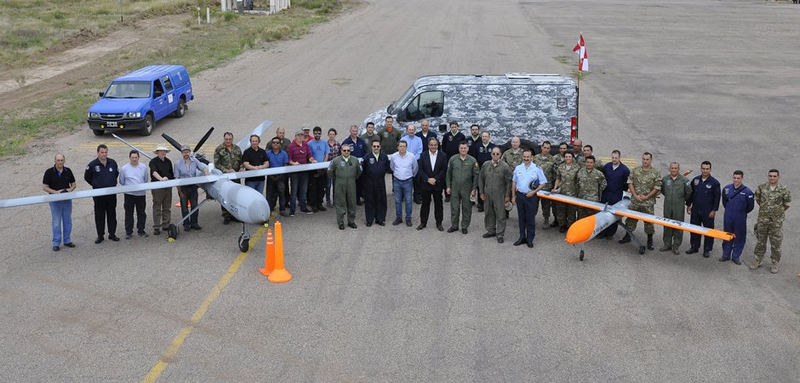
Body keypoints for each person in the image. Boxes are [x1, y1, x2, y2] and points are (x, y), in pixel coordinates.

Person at [750, 169, 791, 274]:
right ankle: (758, 260)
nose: (772, 178)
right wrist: (766, 210)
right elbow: (758, 200)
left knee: (776, 242)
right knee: (760, 241)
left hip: (776, 222)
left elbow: (786, 204)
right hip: (763, 219)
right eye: (770, 176)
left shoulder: (784, 190)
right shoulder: (761, 188)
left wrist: (776, 212)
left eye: (774, 176)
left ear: (778, 177)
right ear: (768, 176)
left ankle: (774, 262)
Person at [619, 152, 662, 251]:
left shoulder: (655, 172)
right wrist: (634, 195)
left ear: (651, 160)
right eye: (644, 159)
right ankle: (627, 236)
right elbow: (630, 183)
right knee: (630, 220)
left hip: (648, 203)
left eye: (647, 159)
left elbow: (657, 187)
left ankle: (650, 241)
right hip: (635, 201)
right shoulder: (635, 170)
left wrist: (646, 197)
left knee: (649, 223)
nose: (645, 161)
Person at [84, 144, 120, 244]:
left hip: (111, 194)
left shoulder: (112, 162)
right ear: (98, 153)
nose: (104, 154)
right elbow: (87, 177)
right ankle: (100, 235)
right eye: (102, 152)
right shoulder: (92, 165)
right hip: (99, 195)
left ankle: (112, 234)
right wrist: (96, 184)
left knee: (112, 213)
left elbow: (115, 174)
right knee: (99, 215)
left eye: (105, 152)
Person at [512, 149, 547, 247]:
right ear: (522, 157)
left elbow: (543, 183)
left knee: (530, 219)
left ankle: (530, 239)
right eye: (524, 157)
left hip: (531, 197)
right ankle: (522, 237)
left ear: (532, 157)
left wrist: (534, 192)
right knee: (521, 218)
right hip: (520, 196)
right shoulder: (518, 168)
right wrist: (513, 196)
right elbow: (514, 182)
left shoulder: (537, 168)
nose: (526, 159)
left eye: (528, 157)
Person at [686, 161, 721, 258]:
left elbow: (717, 198)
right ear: (701, 169)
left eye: (707, 169)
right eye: (703, 169)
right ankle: (694, 247)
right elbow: (691, 194)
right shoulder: (696, 180)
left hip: (708, 211)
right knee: (694, 229)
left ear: (710, 169)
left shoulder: (715, 183)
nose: (705, 171)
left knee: (708, 231)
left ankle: (707, 249)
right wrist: (688, 205)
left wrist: (714, 210)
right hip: (696, 209)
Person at [42, 153, 76, 251]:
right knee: (56, 222)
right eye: (58, 160)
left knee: (67, 221)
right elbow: (45, 187)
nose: (60, 162)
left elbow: (73, 184)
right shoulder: (49, 172)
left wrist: (69, 190)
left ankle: (67, 240)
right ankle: (56, 242)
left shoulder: (68, 171)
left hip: (66, 200)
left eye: (62, 160)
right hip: (55, 200)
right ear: (55, 161)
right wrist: (55, 193)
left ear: (64, 161)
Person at [720, 170, 754, 264]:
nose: (736, 180)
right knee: (727, 235)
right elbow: (724, 202)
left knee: (739, 237)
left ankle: (736, 256)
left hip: (740, 218)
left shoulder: (748, 192)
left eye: (738, 178)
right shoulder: (727, 189)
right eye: (734, 178)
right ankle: (726, 255)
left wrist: (741, 212)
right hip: (728, 216)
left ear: (742, 178)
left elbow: (750, 207)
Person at [479, 146, 512, 243]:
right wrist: (481, 192)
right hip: (488, 193)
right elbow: (481, 179)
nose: (495, 155)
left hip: (499, 194)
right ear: (491, 154)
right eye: (493, 153)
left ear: (500, 155)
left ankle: (500, 234)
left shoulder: (505, 166)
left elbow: (508, 182)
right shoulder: (486, 165)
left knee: (500, 214)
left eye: (497, 154)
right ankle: (491, 230)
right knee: (489, 212)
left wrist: (507, 195)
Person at [446, 142, 479, 234]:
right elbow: (448, 174)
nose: (463, 150)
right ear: (458, 149)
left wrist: (474, 189)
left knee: (467, 208)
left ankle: (464, 226)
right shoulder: (453, 159)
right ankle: (454, 225)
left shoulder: (472, 161)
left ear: (468, 149)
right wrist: (448, 186)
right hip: (455, 187)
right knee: (454, 207)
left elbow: (476, 176)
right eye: (461, 148)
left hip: (467, 188)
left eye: (465, 148)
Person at [174, 145, 209, 231]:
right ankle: (186, 224)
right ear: (181, 153)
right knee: (184, 207)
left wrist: (205, 171)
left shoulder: (195, 161)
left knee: (195, 206)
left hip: (193, 187)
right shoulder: (177, 164)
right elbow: (176, 179)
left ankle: (194, 223)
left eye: (187, 152)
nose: (186, 153)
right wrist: (180, 191)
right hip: (183, 188)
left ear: (189, 152)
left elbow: (202, 167)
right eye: (184, 152)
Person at [659, 162, 691, 254]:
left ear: (678, 169)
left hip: (679, 206)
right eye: (672, 168)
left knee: (678, 225)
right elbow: (663, 190)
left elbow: (688, 192)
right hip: (668, 205)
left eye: (675, 168)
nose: (673, 170)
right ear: (670, 169)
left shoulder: (684, 180)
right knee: (667, 224)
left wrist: (681, 199)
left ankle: (676, 245)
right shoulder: (665, 179)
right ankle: (667, 244)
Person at [328, 143, 362, 230]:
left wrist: (353, 178)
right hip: (340, 183)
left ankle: (351, 221)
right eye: (344, 150)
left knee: (352, 202)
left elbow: (359, 171)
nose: (346, 152)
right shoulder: (336, 161)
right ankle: (340, 222)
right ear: (341, 151)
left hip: (351, 183)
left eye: (348, 150)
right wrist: (338, 178)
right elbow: (330, 172)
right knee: (340, 203)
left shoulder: (354, 160)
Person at [417, 137, 447, 231]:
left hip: (437, 184)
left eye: (435, 145)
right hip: (426, 184)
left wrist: (435, 179)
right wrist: (427, 179)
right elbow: (420, 169)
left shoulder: (443, 155)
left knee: (438, 204)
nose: (433, 146)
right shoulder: (423, 155)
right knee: (425, 204)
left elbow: (443, 170)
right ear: (428, 145)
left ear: (438, 145)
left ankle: (439, 223)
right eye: (431, 145)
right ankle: (423, 222)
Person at [599, 150, 630, 239]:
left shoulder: (625, 170)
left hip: (617, 194)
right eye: (612, 157)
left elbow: (626, 183)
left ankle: (610, 233)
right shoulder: (607, 167)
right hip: (606, 193)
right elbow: (603, 178)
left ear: (619, 158)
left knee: (613, 213)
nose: (614, 159)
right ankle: (602, 232)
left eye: (616, 158)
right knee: (603, 212)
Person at [119, 150, 149, 239]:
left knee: (141, 213)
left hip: (141, 194)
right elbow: (121, 181)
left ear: (138, 158)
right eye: (133, 158)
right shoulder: (124, 168)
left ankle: (141, 230)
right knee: (129, 213)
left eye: (136, 157)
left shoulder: (143, 167)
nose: (134, 159)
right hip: (129, 195)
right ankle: (128, 232)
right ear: (130, 158)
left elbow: (145, 179)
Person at [214, 132, 243, 224]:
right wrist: (226, 170)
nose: (228, 141)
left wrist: (242, 167)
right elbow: (217, 164)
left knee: (236, 196)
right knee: (225, 196)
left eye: (230, 139)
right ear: (224, 139)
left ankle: (235, 215)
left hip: (236, 176)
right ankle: (226, 215)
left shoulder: (237, 149)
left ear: (232, 139)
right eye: (226, 139)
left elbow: (241, 160)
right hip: (225, 178)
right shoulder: (219, 149)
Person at [362, 138, 390, 226]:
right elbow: (363, 170)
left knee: (381, 200)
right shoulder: (366, 157)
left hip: (380, 182)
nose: (376, 148)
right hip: (369, 182)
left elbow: (388, 168)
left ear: (380, 147)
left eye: (378, 146)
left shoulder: (384, 157)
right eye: (374, 146)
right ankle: (369, 220)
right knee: (370, 201)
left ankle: (380, 219)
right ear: (371, 147)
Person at [389, 141, 418, 227]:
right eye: (400, 146)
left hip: (408, 181)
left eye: (404, 146)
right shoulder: (394, 156)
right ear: (397, 147)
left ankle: (408, 218)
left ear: (406, 147)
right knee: (398, 200)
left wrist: (410, 175)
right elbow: (392, 167)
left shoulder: (411, 156)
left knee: (408, 201)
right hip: (397, 181)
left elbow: (415, 168)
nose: (402, 148)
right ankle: (399, 217)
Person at [287, 131, 315, 216]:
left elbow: (309, 155)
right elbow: (288, 159)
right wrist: (293, 163)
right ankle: (292, 210)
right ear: (295, 136)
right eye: (298, 136)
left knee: (303, 191)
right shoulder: (291, 146)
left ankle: (303, 208)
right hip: (294, 173)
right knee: (294, 191)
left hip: (304, 172)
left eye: (301, 136)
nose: (300, 137)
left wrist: (312, 160)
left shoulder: (306, 145)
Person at [149, 146, 174, 235]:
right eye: (161, 151)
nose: (163, 152)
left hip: (168, 187)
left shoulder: (168, 161)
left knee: (167, 207)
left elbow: (171, 174)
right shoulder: (153, 161)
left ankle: (166, 224)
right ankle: (156, 226)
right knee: (157, 207)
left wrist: (168, 178)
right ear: (157, 152)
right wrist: (161, 179)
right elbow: (154, 172)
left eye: (164, 151)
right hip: (157, 187)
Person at [553, 151, 580, 233]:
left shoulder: (577, 167)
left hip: (572, 193)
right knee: (561, 210)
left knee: (571, 211)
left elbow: (579, 180)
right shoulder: (561, 167)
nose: (568, 158)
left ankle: (570, 226)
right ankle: (562, 225)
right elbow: (558, 178)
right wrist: (555, 188)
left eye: (569, 157)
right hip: (562, 193)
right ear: (564, 158)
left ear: (572, 158)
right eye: (566, 156)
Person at [533, 141, 557, 227]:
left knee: (546, 205)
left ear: (550, 149)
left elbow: (555, 174)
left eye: (548, 148)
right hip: (535, 186)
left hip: (547, 186)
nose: (546, 150)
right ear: (541, 148)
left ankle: (546, 219)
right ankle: (532, 218)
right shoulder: (535, 158)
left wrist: (554, 186)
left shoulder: (553, 159)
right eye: (544, 147)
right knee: (534, 203)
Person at [471, 130, 495, 213]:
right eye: (483, 136)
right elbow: (474, 158)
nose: (484, 138)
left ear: (489, 137)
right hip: (480, 169)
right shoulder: (477, 146)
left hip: (490, 170)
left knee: (489, 187)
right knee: (480, 187)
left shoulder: (493, 147)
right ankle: (480, 204)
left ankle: (489, 204)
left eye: (486, 136)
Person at [307, 126, 330, 212]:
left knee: (322, 187)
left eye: (319, 133)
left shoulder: (324, 143)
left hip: (323, 169)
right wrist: (316, 167)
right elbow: (309, 156)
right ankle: (313, 205)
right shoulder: (309, 144)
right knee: (313, 188)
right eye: (316, 133)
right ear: (313, 134)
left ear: (321, 134)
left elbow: (326, 154)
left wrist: (323, 165)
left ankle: (319, 203)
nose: (317, 135)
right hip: (313, 169)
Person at [342, 125, 367, 205]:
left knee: (361, 182)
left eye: (356, 131)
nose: (355, 133)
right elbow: (343, 154)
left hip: (360, 165)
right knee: (352, 184)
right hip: (351, 166)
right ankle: (353, 200)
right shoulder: (346, 142)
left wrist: (363, 160)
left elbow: (365, 152)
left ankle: (360, 198)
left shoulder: (361, 141)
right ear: (350, 131)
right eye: (353, 131)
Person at [441, 120, 465, 202]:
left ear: (457, 127)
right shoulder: (447, 135)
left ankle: (459, 195)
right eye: (452, 127)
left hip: (458, 159)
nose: (453, 128)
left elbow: (463, 148)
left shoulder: (461, 136)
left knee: (458, 176)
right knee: (448, 176)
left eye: (455, 127)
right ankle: (448, 195)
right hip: (448, 158)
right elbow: (443, 147)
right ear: (450, 127)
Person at [266, 137, 290, 217]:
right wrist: (271, 176)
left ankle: (282, 209)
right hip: (270, 177)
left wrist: (279, 176)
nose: (275, 144)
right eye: (274, 143)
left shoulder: (284, 154)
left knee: (282, 194)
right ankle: (269, 209)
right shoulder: (268, 153)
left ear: (280, 144)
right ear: (271, 144)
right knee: (269, 195)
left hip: (281, 177)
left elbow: (285, 165)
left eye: (277, 143)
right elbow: (266, 166)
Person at [404, 124, 424, 204]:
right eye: (410, 130)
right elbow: (402, 151)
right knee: (407, 180)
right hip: (406, 162)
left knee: (417, 180)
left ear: (414, 130)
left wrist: (413, 159)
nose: (411, 131)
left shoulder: (419, 139)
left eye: (413, 130)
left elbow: (420, 151)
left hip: (416, 162)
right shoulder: (403, 139)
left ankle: (417, 197)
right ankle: (406, 197)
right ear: (407, 130)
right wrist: (408, 160)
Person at [326, 128, 340, 208]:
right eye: (330, 134)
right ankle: (328, 200)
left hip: (336, 167)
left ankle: (335, 200)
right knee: (328, 185)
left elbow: (339, 154)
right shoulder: (325, 144)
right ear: (328, 135)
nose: (331, 136)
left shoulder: (338, 144)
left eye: (333, 134)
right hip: (328, 168)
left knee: (335, 185)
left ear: (335, 135)